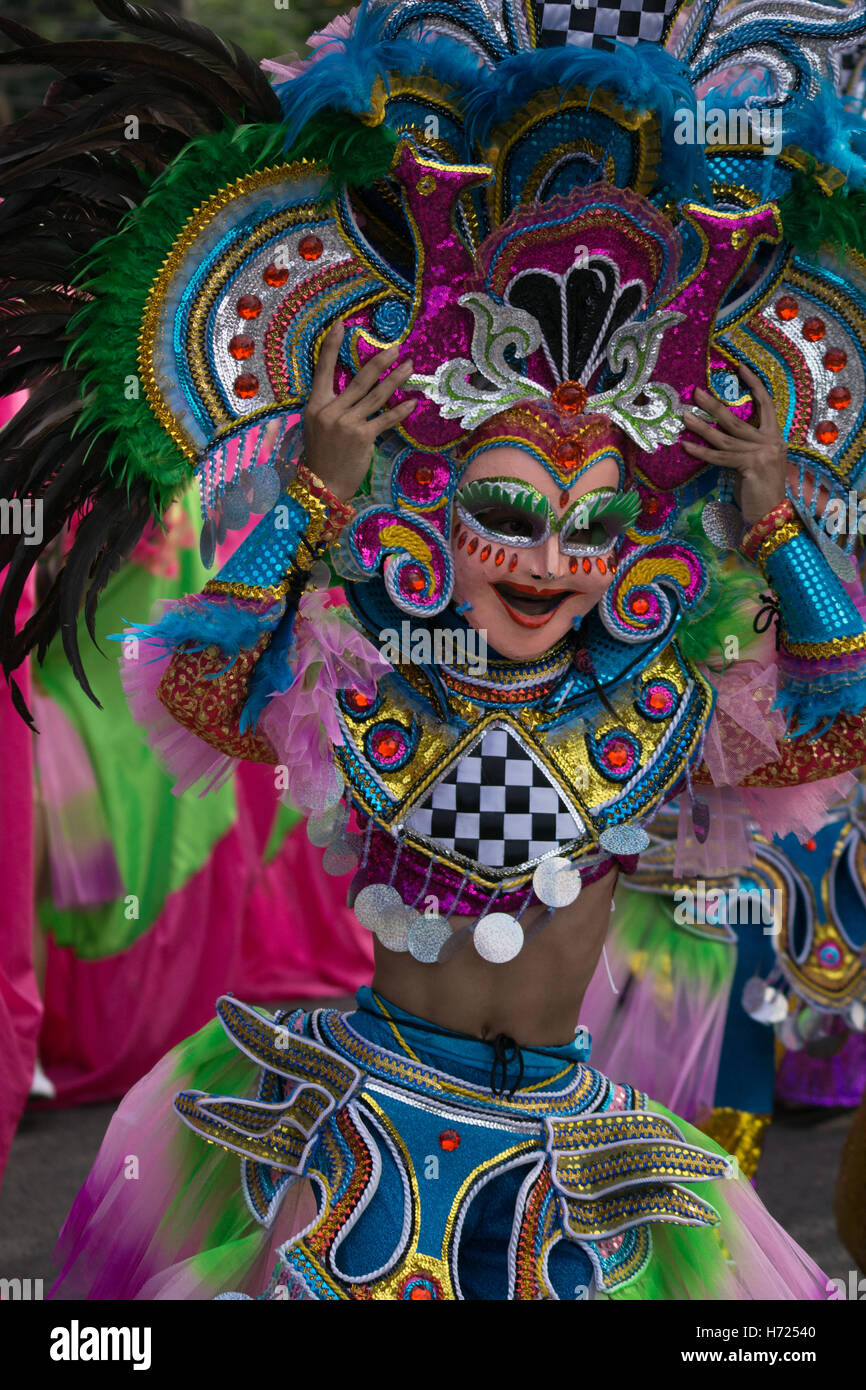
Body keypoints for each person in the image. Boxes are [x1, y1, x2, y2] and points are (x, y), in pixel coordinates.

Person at [5, 0, 866, 1301]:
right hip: (354, 1119)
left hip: (570, 1156)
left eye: (588, 529)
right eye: (507, 512)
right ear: (434, 518)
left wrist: (775, 520)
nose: (544, 559)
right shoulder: (371, 681)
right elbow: (199, 685)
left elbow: (837, 728)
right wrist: (312, 489)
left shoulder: (655, 708)